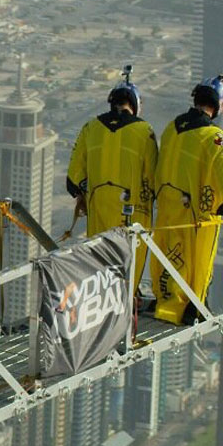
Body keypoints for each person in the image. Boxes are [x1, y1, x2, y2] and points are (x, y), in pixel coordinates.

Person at [150, 75, 223, 326]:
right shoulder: (213, 136)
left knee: (166, 255)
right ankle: (192, 306)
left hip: (166, 208)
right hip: (196, 213)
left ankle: (166, 303)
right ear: (218, 104)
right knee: (197, 260)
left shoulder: (172, 128)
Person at [66, 66, 158, 290]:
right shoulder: (144, 131)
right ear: (134, 105)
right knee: (128, 265)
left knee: (99, 260)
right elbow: (154, 176)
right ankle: (126, 302)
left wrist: (84, 193)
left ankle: (101, 301)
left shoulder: (91, 128)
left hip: (98, 208)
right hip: (132, 211)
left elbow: (73, 176)